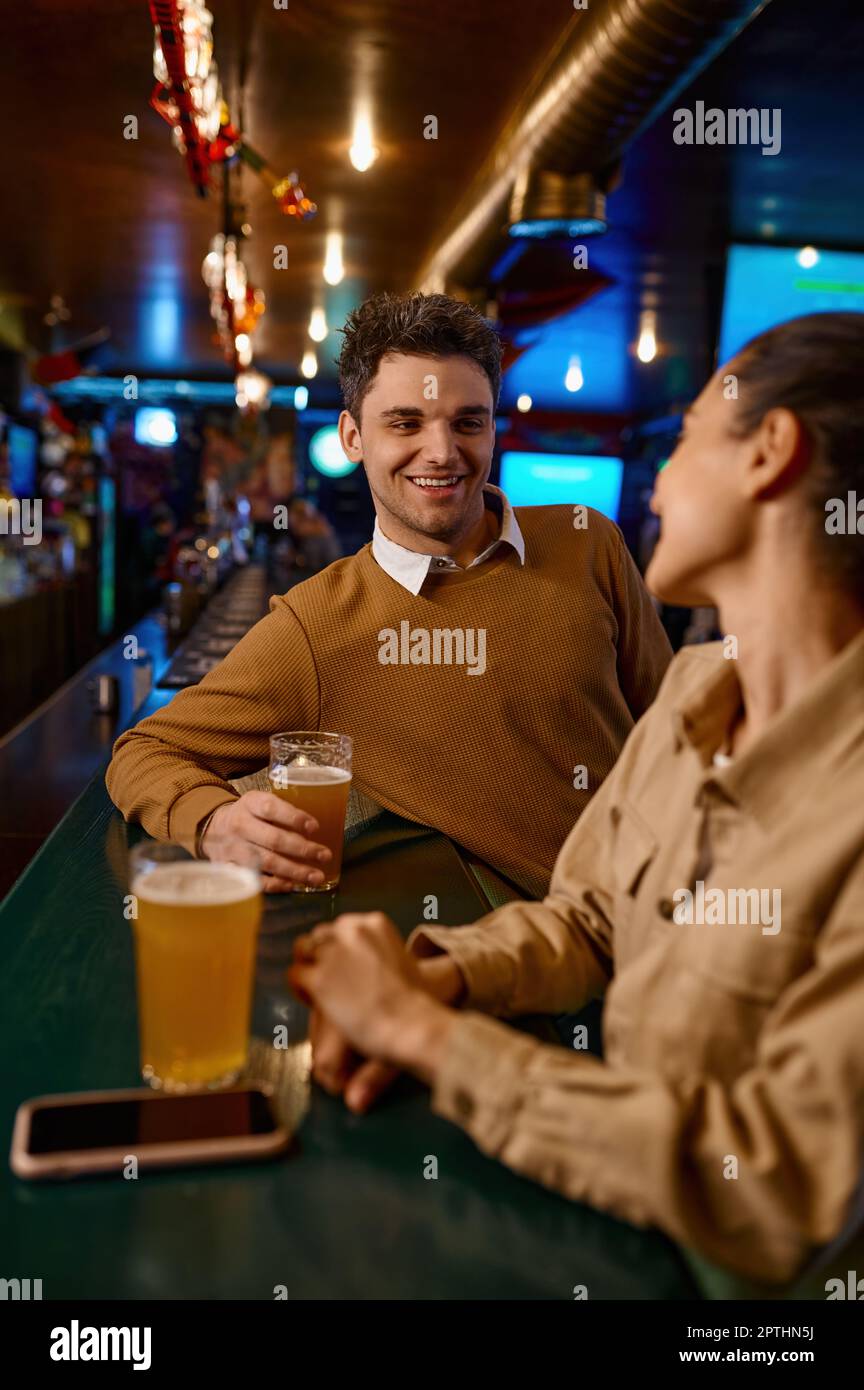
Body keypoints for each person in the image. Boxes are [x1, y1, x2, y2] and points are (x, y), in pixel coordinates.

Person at [290, 312, 864, 1284]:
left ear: (769, 453)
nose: (663, 482)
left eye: (681, 437)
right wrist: (435, 976)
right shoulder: (694, 690)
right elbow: (594, 916)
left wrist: (428, 1038)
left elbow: (773, 1187)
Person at [106, 292, 670, 897]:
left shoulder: (587, 541)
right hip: (544, 957)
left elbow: (678, 730)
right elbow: (145, 749)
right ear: (352, 437)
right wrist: (213, 822)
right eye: (406, 422)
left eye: (468, 422)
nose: (442, 452)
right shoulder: (317, 627)